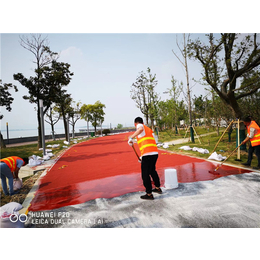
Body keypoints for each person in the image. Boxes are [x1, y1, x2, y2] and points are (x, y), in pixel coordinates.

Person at [128, 117, 161, 200]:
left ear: (135, 123)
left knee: (145, 174)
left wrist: (131, 138)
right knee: (152, 171)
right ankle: (157, 188)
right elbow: (146, 141)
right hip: (154, 153)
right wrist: (142, 157)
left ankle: (149, 193)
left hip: (148, 154)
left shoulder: (140, 125)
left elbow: (139, 129)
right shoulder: (148, 129)